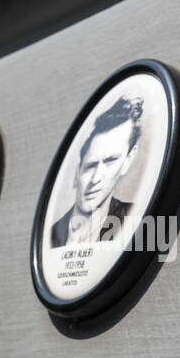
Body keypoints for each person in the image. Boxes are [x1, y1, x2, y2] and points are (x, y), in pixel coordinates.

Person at [50, 95, 143, 248]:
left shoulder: (138, 222)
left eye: (110, 161)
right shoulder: (51, 236)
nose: (96, 178)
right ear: (78, 169)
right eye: (91, 165)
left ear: (128, 159)